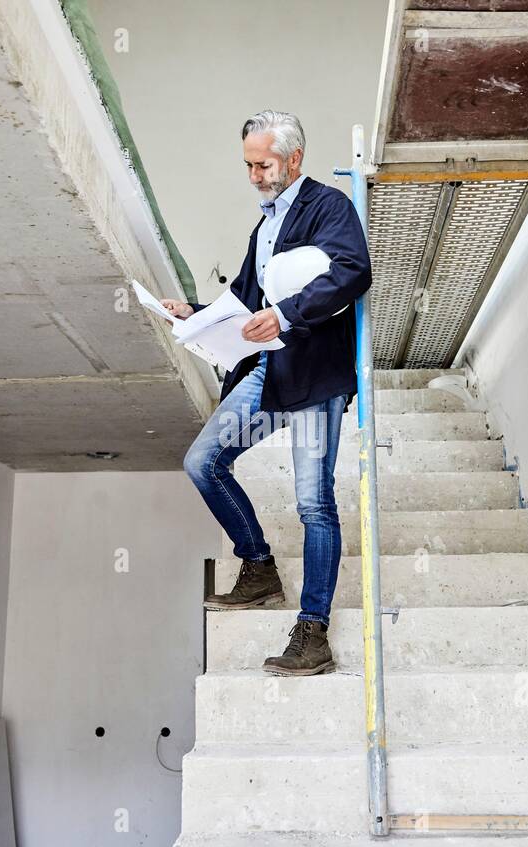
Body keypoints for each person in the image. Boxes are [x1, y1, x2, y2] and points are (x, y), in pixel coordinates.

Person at [164, 109, 372, 677]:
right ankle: (258, 569)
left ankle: (313, 631)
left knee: (312, 502)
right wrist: (197, 313)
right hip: (266, 374)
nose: (255, 175)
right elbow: (244, 298)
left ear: (295, 159)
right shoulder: (265, 227)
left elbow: (353, 272)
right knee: (204, 461)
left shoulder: (329, 206)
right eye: (249, 165)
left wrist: (285, 315)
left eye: (264, 164)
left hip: (315, 377)